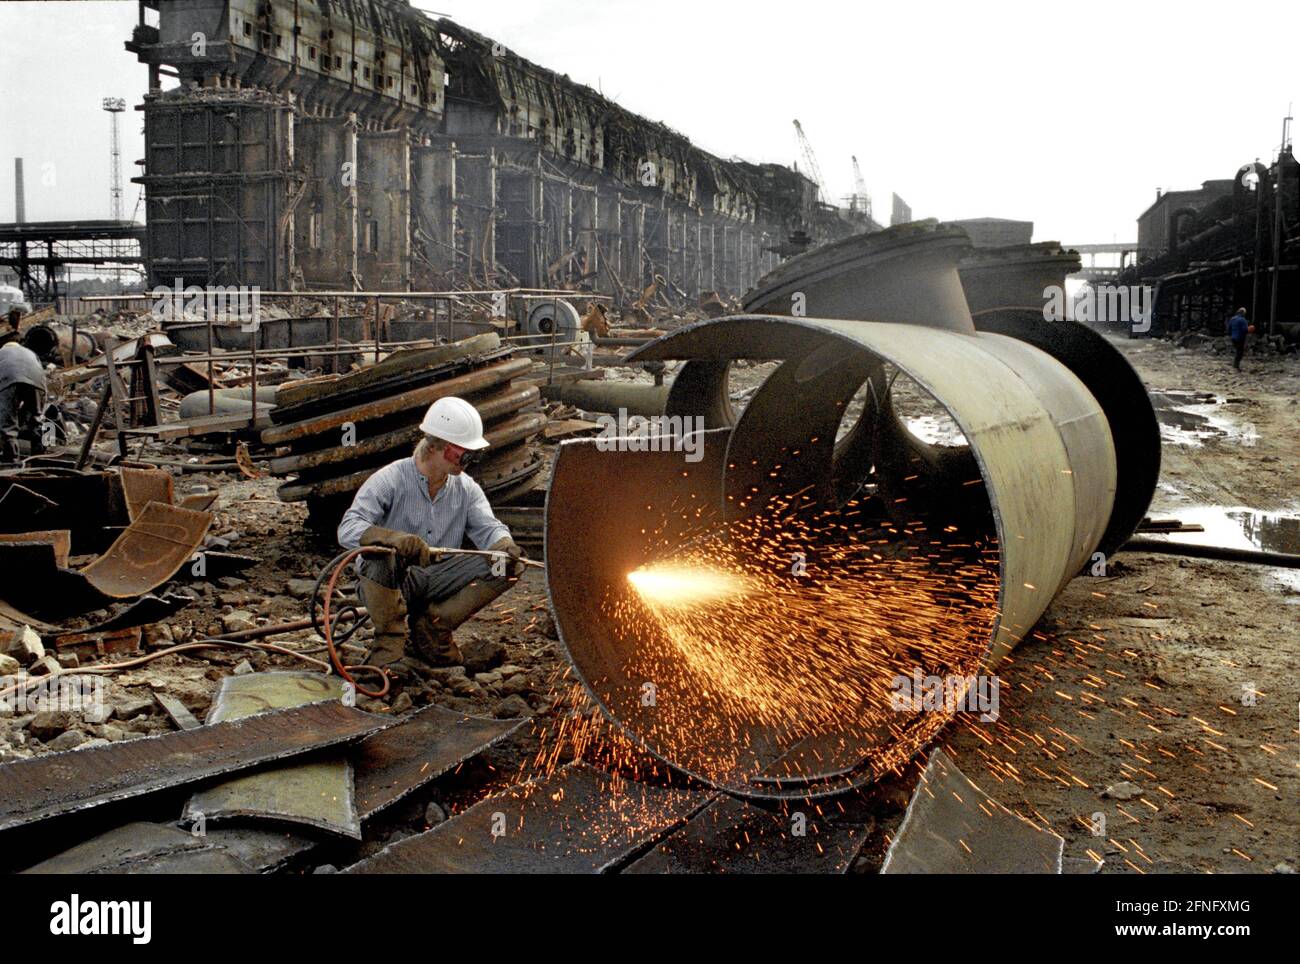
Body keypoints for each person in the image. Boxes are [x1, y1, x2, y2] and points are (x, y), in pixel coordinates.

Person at [337, 396, 524, 682]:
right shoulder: (390, 479)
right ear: (435, 446)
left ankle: (432, 629)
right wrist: (389, 538)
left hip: (437, 578)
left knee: (505, 566)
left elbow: (488, 528)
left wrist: (502, 544)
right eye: (462, 454)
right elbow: (348, 528)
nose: (468, 462)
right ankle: (388, 646)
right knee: (379, 555)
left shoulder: (465, 488)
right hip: (395, 581)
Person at [0, 341, 47, 462]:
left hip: (10, 380)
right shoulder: (30, 353)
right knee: (37, 419)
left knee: (7, 427)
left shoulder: (1, 353)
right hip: (37, 383)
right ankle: (40, 455)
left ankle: (11, 461)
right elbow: (42, 373)